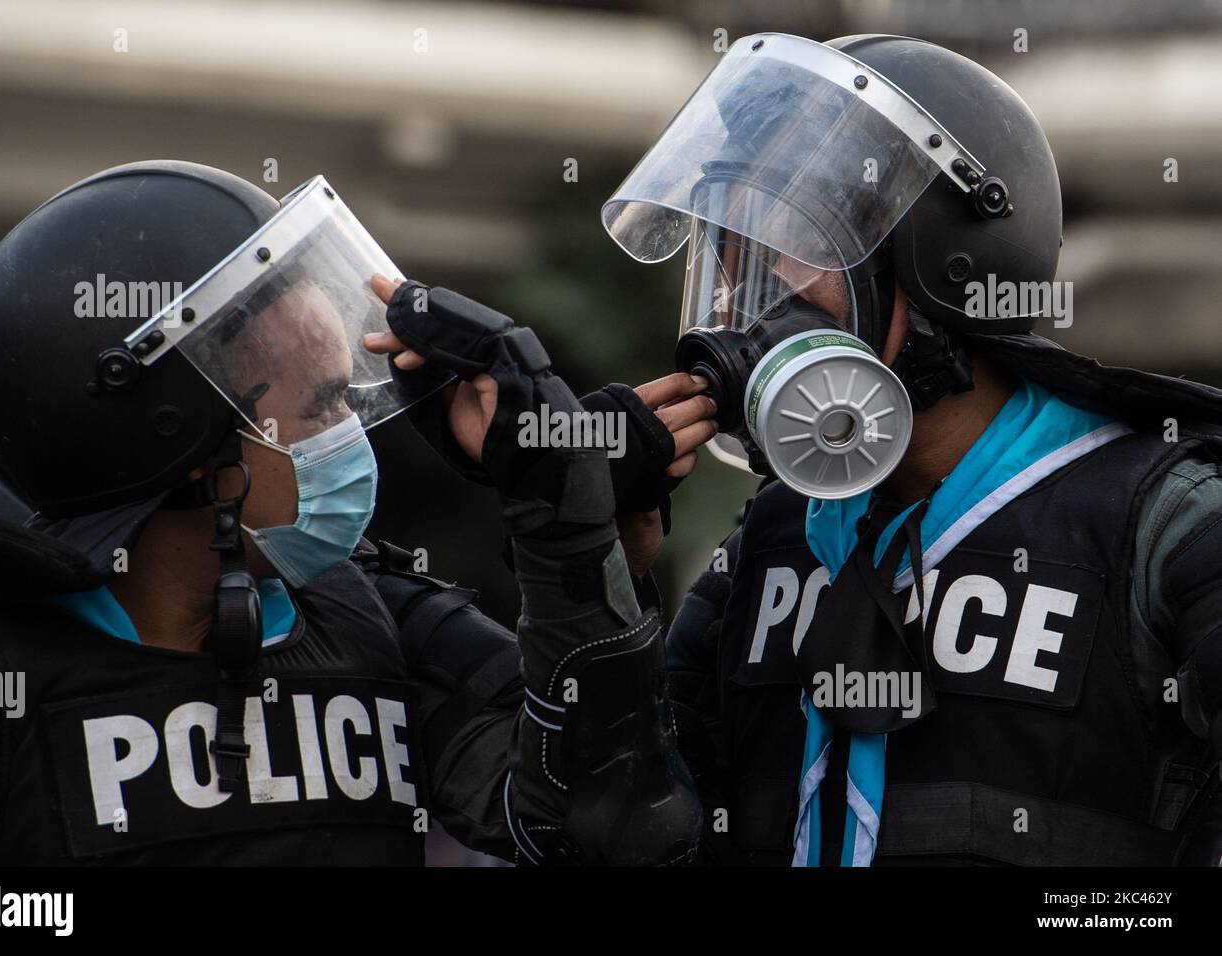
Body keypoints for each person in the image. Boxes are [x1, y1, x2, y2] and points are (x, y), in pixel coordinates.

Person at [388, 32, 1222, 866]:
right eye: (731, 253)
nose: (743, 301)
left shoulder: (1167, 522)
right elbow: (620, 837)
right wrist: (587, 555)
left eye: (793, 242)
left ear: (947, 263)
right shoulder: (774, 537)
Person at [0, 160, 701, 866]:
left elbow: (612, 836)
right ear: (186, 446)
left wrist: (570, 532)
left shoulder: (379, 620)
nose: (353, 436)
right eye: (324, 404)